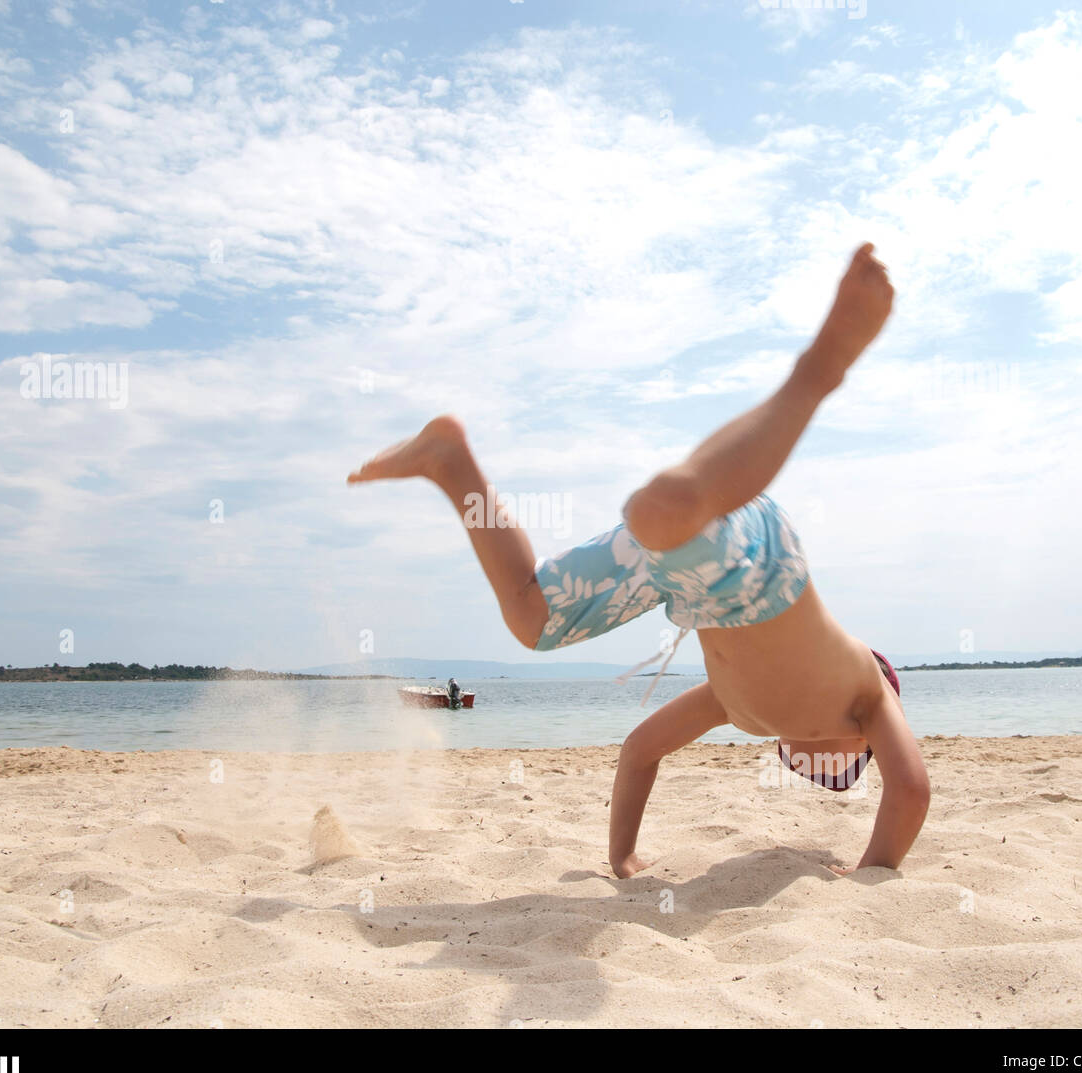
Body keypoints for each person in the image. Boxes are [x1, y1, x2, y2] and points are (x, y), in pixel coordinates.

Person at [347, 244, 929, 879]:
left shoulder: (731, 705)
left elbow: (640, 752)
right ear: (872, 737)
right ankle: (821, 369)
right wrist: (874, 866)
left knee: (531, 617)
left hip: (678, 582)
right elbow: (912, 792)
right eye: (845, 773)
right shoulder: (867, 691)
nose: (817, 773)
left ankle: (449, 461)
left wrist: (621, 855)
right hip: (765, 567)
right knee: (663, 510)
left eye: (812, 775)